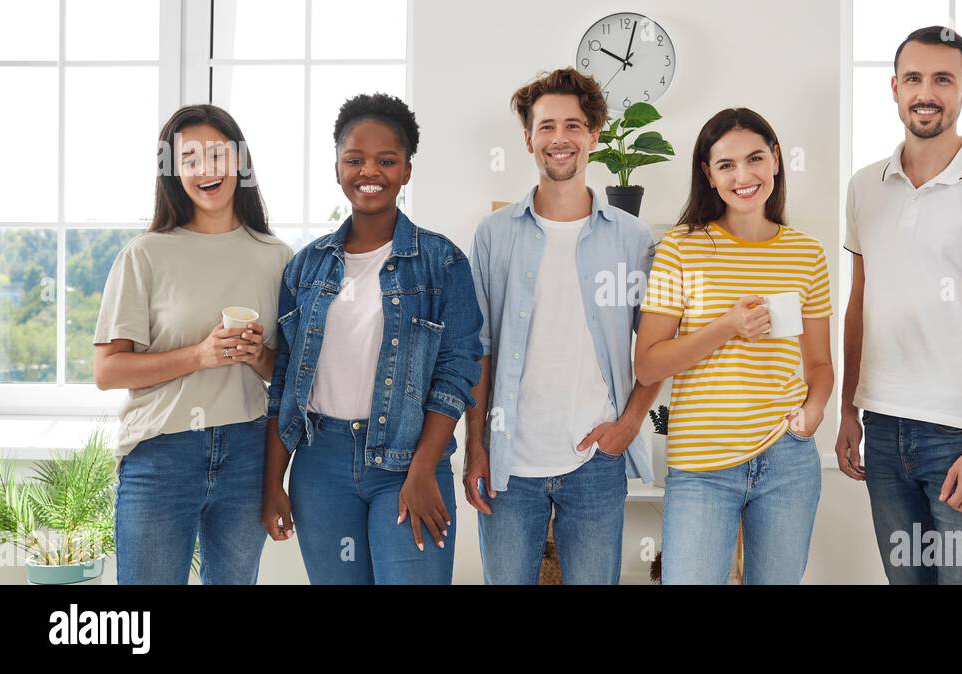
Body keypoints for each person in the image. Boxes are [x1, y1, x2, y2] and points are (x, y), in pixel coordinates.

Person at [835, 26, 962, 584]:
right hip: (881, 426)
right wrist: (849, 410)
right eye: (914, 78)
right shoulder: (864, 187)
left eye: (943, 79)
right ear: (895, 88)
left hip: (961, 436)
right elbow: (861, 303)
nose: (927, 92)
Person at [260, 93, 483, 584]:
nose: (370, 172)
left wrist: (423, 468)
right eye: (355, 159)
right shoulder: (306, 267)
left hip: (408, 460)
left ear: (406, 170)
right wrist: (273, 482)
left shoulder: (443, 263)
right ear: (337, 167)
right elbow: (285, 382)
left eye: (387, 160)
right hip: (321, 466)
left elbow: (457, 370)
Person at [465, 68, 660, 584]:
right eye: (546, 126)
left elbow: (661, 344)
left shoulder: (633, 239)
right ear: (527, 138)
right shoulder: (492, 235)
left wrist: (631, 423)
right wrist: (476, 446)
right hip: (509, 463)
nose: (560, 139)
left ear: (594, 135)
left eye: (573, 125)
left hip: (595, 461)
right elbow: (477, 349)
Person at [94, 104, 291, 584]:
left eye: (218, 154)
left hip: (247, 450)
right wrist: (199, 355)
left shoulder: (277, 256)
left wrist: (258, 355)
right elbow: (108, 371)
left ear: (240, 161)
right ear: (173, 172)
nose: (207, 169)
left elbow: (290, 374)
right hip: (161, 453)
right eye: (191, 158)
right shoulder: (145, 254)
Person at [636, 107, 834, 585]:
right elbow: (647, 365)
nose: (743, 176)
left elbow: (821, 363)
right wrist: (726, 326)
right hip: (702, 464)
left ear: (776, 160)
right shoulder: (681, 249)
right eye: (726, 165)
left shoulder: (807, 254)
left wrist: (815, 411)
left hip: (788, 458)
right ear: (708, 174)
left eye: (755, 159)